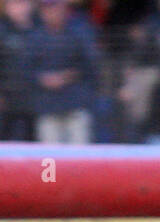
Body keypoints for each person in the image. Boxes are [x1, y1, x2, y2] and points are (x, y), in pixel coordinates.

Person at [28, 0, 99, 144]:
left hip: (76, 105)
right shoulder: (35, 37)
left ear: (65, 9)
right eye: (47, 8)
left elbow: (91, 66)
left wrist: (66, 76)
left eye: (55, 7)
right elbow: (26, 69)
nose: (52, 12)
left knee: (79, 157)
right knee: (50, 159)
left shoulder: (79, 34)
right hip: (47, 107)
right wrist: (43, 79)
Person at [0, 0, 37, 140]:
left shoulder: (40, 30)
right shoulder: (2, 31)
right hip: (6, 100)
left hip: (35, 100)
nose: (18, 8)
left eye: (22, 3)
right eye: (14, 3)